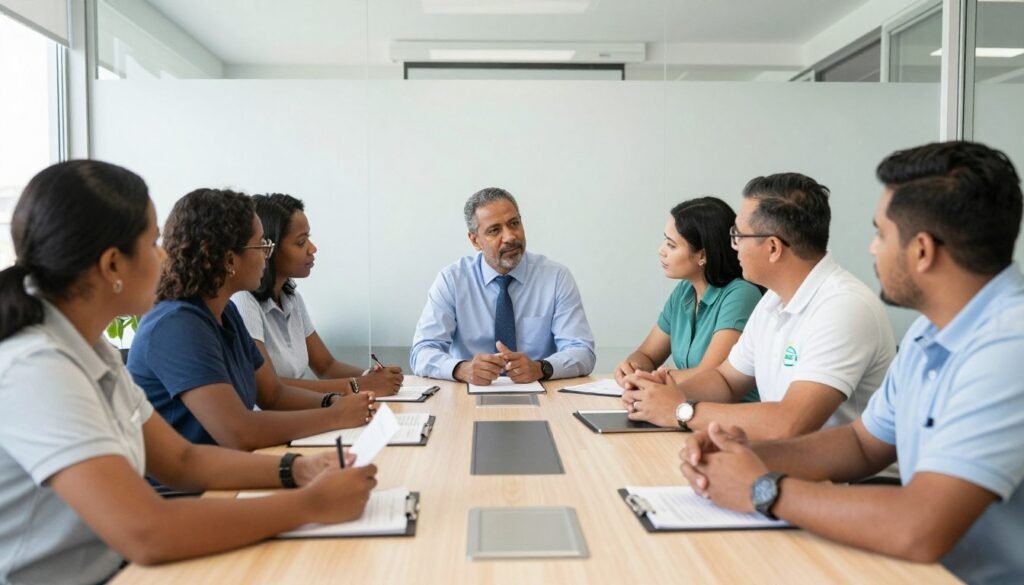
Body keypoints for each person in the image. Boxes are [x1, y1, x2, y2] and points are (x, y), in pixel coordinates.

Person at [0, 161, 376, 584]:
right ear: (112, 266)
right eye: (152, 242)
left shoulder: (90, 350)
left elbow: (181, 459)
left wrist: (296, 469)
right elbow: (145, 530)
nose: (164, 256)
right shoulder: (36, 368)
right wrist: (311, 505)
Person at [679, 141, 1024, 584]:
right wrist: (744, 456)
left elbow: (922, 525)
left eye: (881, 234)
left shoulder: (1007, 346)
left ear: (922, 250)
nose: (871, 249)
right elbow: (861, 445)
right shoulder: (930, 330)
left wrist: (763, 488)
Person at [624, 173, 895, 441]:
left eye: (738, 235)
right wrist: (664, 393)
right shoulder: (772, 301)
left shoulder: (843, 307)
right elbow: (726, 381)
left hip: (846, 482)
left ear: (773, 248)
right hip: (787, 463)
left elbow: (791, 423)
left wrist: (681, 411)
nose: (734, 247)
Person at [128, 189, 375, 450]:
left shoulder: (226, 313)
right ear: (230, 260)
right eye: (262, 246)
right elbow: (238, 432)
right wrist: (335, 416)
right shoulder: (177, 325)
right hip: (187, 489)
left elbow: (273, 394)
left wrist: (333, 402)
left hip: (227, 470)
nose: (266, 256)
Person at [410, 187, 595, 384]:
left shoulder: (556, 277)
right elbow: (422, 351)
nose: (510, 237)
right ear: (475, 240)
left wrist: (541, 368)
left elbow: (582, 351)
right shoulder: (452, 280)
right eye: (494, 230)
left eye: (514, 223)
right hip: (468, 395)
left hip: (541, 392)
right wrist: (462, 369)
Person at [231, 193, 403, 397]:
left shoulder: (291, 299)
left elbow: (326, 367)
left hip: (297, 415)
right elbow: (270, 387)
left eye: (309, 239)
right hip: (271, 422)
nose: (312, 249)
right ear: (269, 248)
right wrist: (361, 384)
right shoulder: (243, 301)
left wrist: (372, 376)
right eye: (300, 242)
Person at [614, 197, 762, 401]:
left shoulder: (741, 294)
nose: (661, 250)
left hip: (730, 420)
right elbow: (647, 355)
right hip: (685, 410)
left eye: (671, 245)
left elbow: (709, 376)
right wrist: (633, 368)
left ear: (702, 255)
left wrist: (651, 379)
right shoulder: (684, 291)